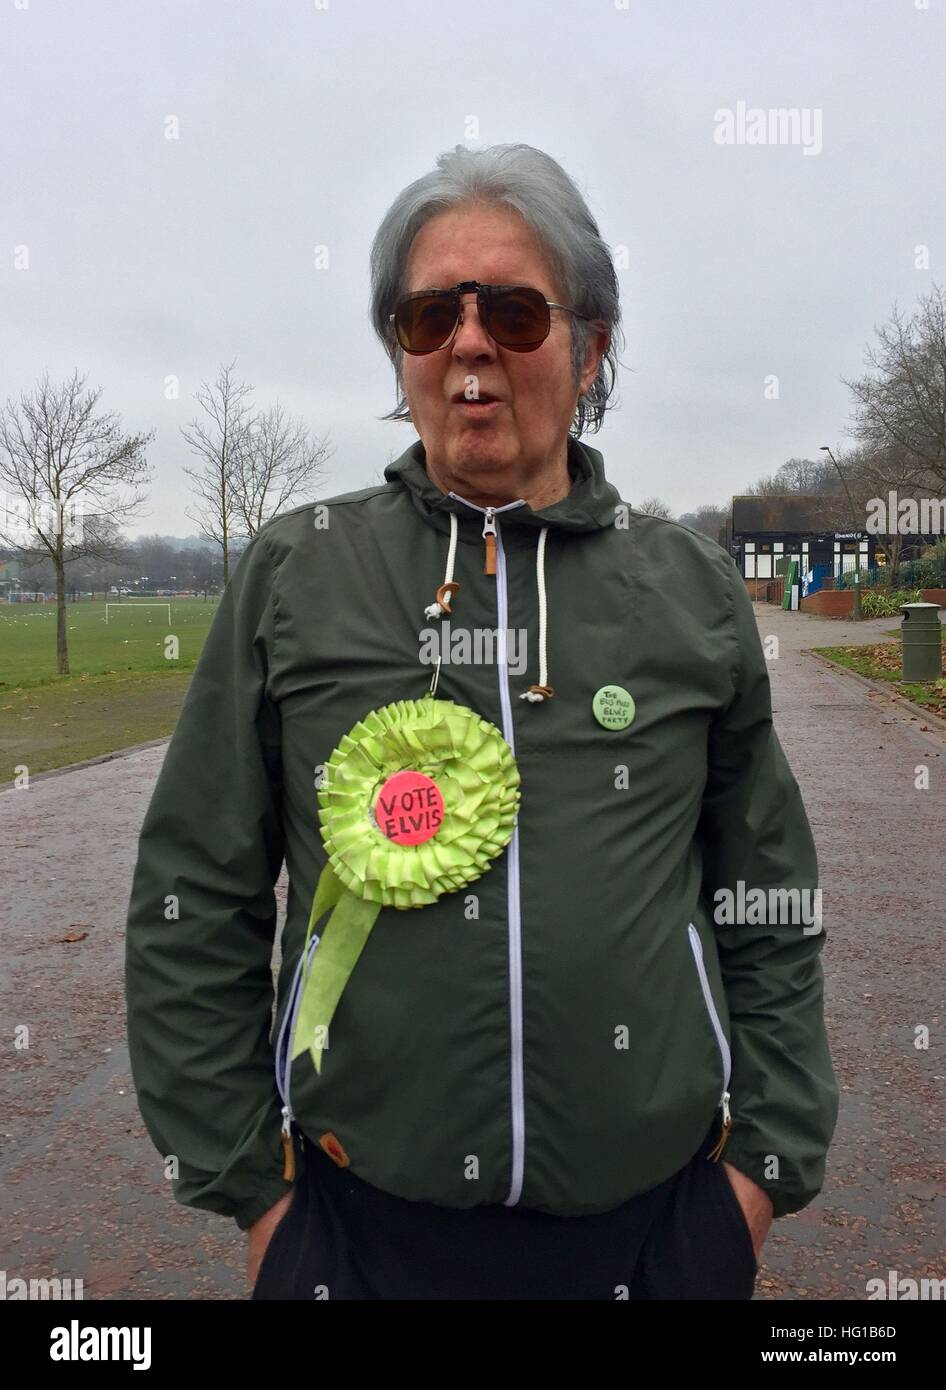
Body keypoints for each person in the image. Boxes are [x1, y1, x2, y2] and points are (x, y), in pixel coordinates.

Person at [124, 142, 839, 1300]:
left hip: (656, 1234)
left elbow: (767, 899)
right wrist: (258, 1197)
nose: (467, 343)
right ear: (400, 351)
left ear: (590, 344)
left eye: (512, 310)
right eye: (425, 315)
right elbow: (190, 897)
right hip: (354, 1236)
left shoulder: (692, 590)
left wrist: (758, 1174)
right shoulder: (296, 574)